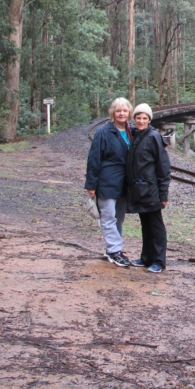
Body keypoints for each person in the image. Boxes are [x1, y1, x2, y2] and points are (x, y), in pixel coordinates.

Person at [85, 97, 134, 267]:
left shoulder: (131, 131)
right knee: (108, 217)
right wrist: (91, 184)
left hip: (124, 182)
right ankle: (114, 251)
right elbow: (94, 159)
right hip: (107, 180)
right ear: (113, 112)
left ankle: (114, 249)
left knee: (119, 218)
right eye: (118, 110)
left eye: (125, 110)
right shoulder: (103, 133)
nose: (122, 114)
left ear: (129, 113)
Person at [126, 103, 171, 273]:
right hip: (139, 188)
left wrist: (163, 194)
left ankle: (159, 261)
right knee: (145, 224)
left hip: (151, 189)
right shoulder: (135, 135)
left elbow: (163, 167)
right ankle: (146, 257)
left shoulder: (154, 137)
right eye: (138, 118)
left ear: (149, 120)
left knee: (155, 225)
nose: (141, 121)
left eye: (144, 118)